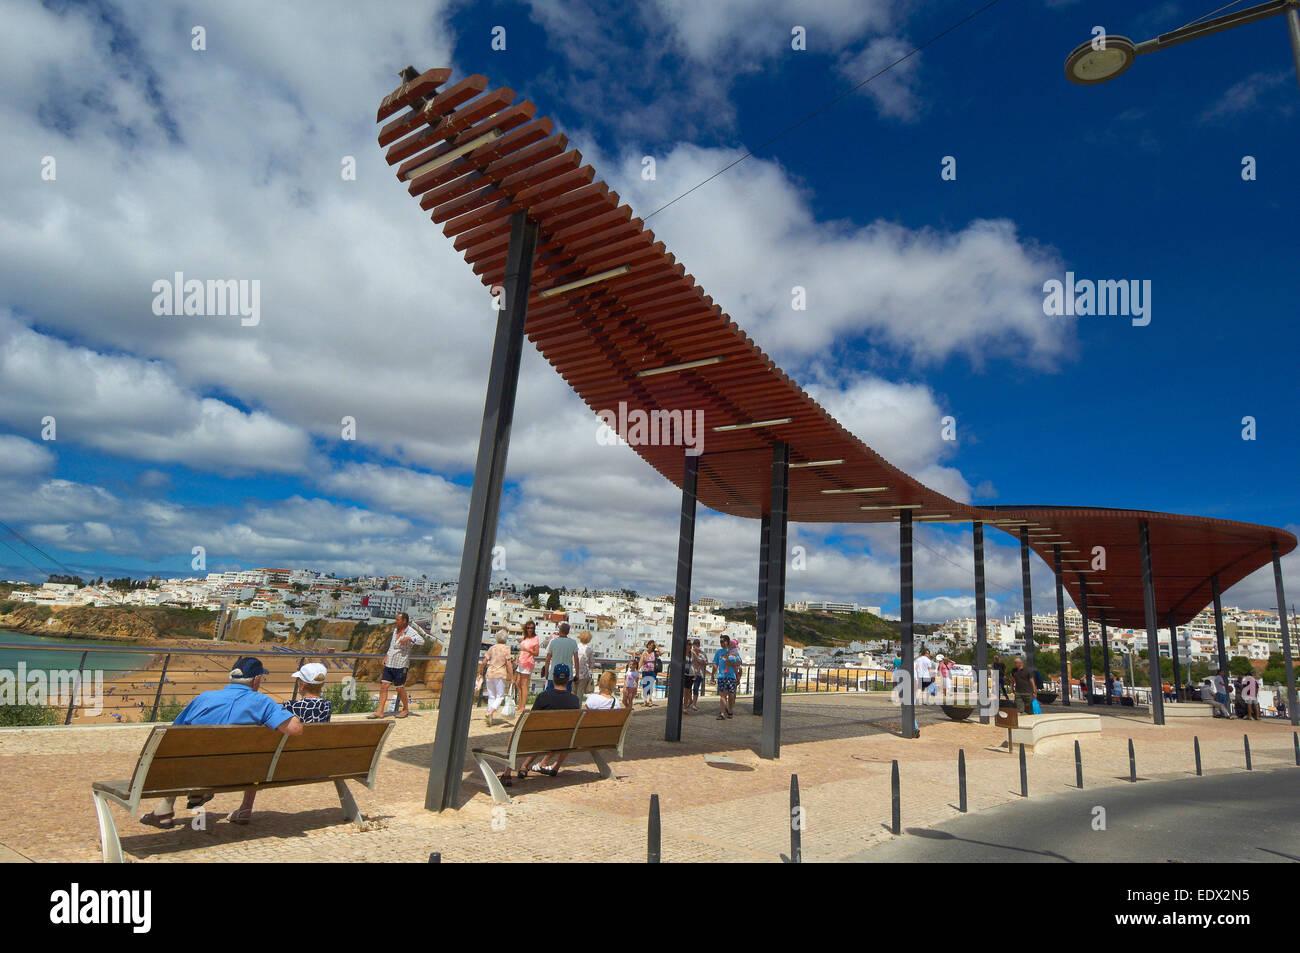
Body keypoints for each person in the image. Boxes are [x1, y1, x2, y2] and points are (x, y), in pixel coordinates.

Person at [138, 657, 303, 828]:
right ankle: (203, 793)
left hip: (191, 773)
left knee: (183, 751)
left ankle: (167, 808)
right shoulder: (263, 703)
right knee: (249, 758)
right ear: (256, 680)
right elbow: (296, 729)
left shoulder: (204, 698)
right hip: (238, 774)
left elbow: (174, 732)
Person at [517, 664, 581, 780]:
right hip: (565, 741)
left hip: (543, 739)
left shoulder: (543, 697)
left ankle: (524, 766)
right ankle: (556, 767)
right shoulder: (575, 700)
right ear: (568, 679)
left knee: (541, 735)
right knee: (565, 735)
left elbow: (531, 720)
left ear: (553, 678)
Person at [369, 612, 424, 719]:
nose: (396, 622)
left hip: (401, 665)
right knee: (384, 686)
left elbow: (422, 641)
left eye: (398, 620)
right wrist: (387, 655)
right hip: (390, 663)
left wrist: (409, 639)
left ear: (404, 621)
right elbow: (392, 646)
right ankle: (379, 711)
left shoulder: (411, 632)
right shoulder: (395, 630)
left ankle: (405, 709)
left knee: (399, 688)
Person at [477, 631, 514, 727]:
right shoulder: (506, 649)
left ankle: (490, 716)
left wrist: (480, 672)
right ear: (506, 639)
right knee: (500, 696)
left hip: (489, 674)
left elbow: (484, 662)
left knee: (491, 696)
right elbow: (508, 664)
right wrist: (512, 677)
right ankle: (490, 712)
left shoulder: (492, 648)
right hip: (500, 674)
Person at [711, 635, 741, 719]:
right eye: (720, 641)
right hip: (722, 676)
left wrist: (731, 664)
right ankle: (722, 713)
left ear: (727, 642)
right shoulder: (718, 652)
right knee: (722, 695)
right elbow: (715, 664)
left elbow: (739, 663)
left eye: (723, 641)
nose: (721, 643)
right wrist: (713, 674)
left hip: (732, 677)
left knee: (731, 695)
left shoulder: (733, 651)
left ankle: (730, 710)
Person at [544, 622, 579, 692]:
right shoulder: (573, 642)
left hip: (553, 674)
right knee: (566, 695)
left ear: (559, 630)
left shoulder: (553, 642)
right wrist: (577, 674)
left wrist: (546, 673)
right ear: (568, 632)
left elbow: (547, 659)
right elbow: (576, 660)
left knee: (551, 694)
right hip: (567, 675)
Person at [514, 621, 540, 715]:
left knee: (524, 684)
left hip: (527, 663)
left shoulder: (535, 638)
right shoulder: (525, 637)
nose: (530, 630)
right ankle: (520, 705)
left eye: (532, 628)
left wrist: (528, 650)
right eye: (528, 628)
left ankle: (522, 706)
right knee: (518, 683)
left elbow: (536, 653)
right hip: (521, 662)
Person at [573, 630, 595, 700]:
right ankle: (578, 706)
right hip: (584, 674)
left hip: (573, 672)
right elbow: (592, 664)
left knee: (572, 693)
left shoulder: (575, 647)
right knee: (580, 694)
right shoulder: (589, 650)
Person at [638, 640, 660, 707]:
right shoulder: (644, 653)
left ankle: (650, 700)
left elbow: (662, 652)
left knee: (650, 686)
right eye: (650, 645)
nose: (651, 646)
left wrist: (657, 646)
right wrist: (637, 670)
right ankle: (645, 701)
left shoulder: (655, 653)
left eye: (652, 645)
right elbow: (641, 662)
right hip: (645, 671)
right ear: (647, 645)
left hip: (652, 671)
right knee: (645, 686)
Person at [689, 639, 708, 712]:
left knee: (696, 688)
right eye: (695, 645)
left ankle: (694, 704)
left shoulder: (702, 653)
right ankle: (690, 700)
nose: (696, 646)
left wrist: (700, 661)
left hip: (699, 674)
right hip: (690, 673)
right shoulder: (690, 653)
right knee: (688, 688)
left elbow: (706, 662)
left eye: (697, 645)